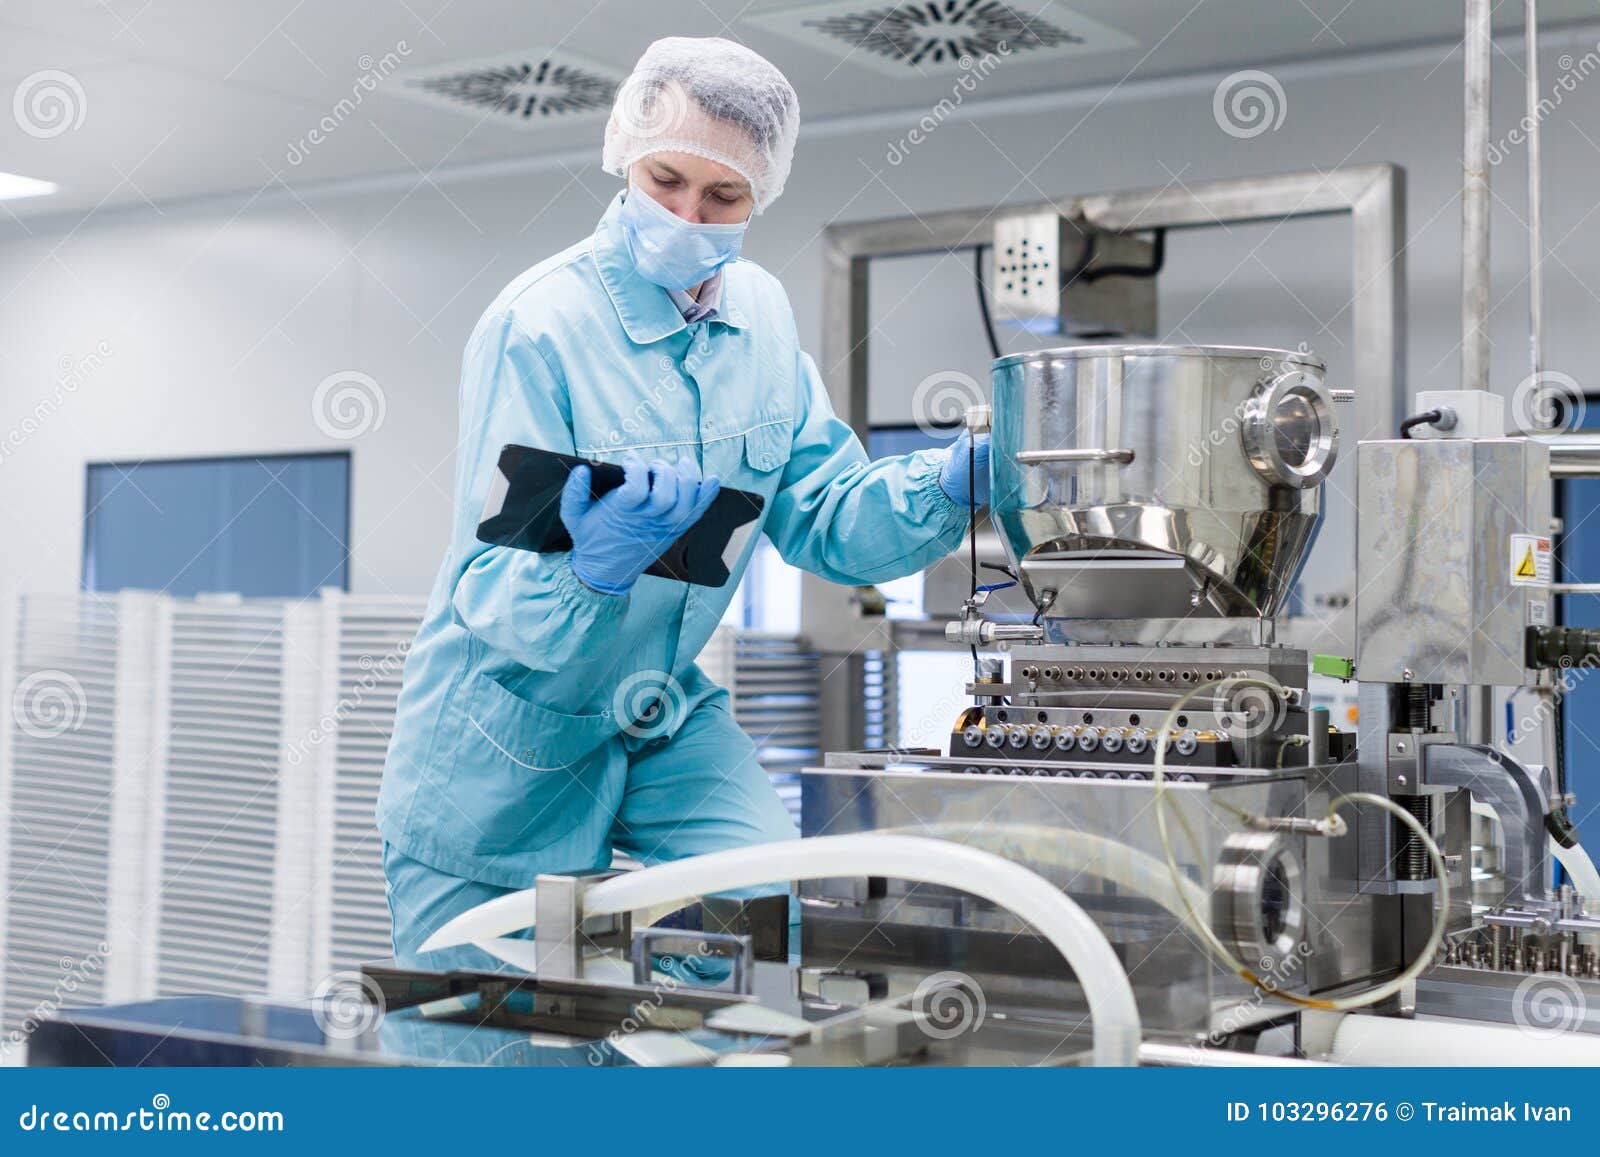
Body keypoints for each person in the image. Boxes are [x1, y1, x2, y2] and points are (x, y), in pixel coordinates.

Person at [376, 36, 992, 955]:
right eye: (666, 180)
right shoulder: (537, 325)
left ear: (761, 197)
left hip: (658, 706)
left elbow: (824, 514)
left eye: (723, 196)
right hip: (505, 732)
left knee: (761, 907)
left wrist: (951, 482)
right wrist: (591, 572)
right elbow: (491, 591)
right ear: (625, 153)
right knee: (483, 1034)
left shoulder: (764, 317)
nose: (686, 213)